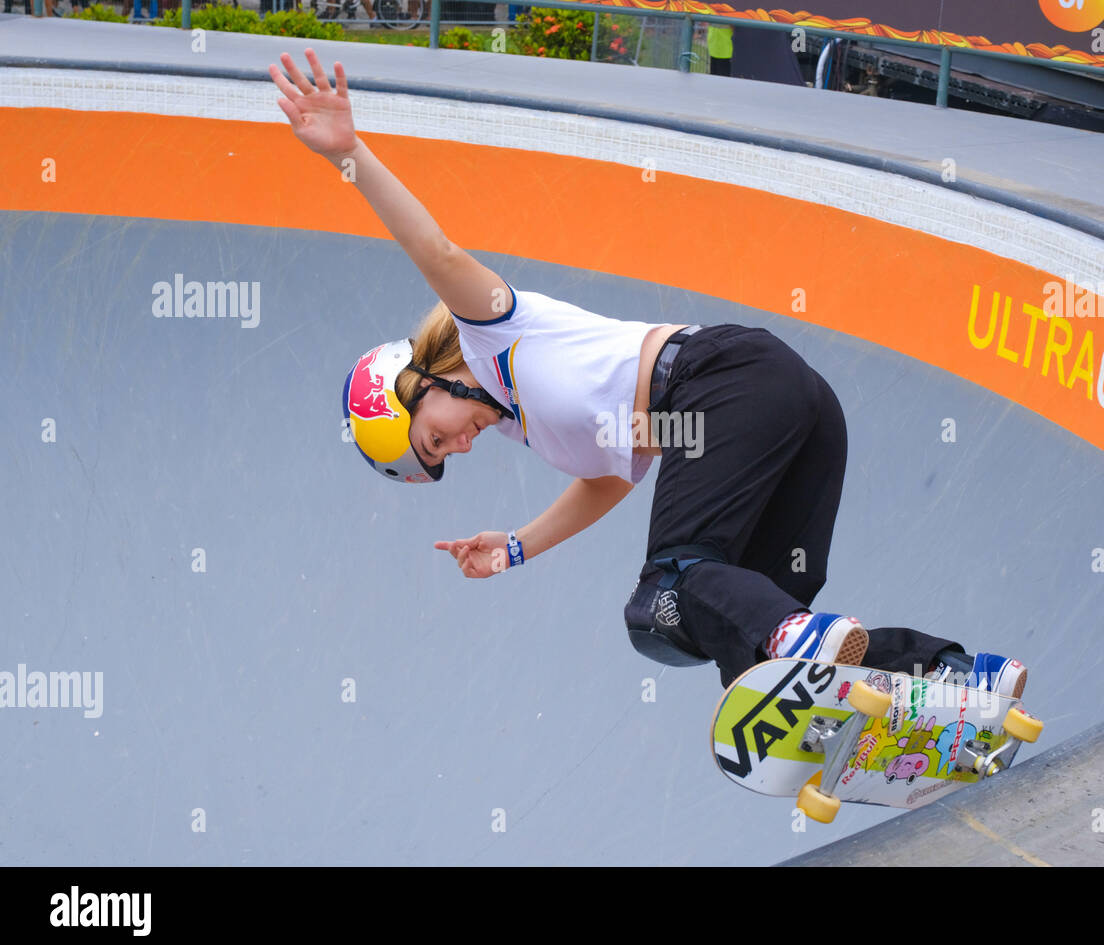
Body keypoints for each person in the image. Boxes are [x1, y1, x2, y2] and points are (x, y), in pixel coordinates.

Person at [269, 49, 1029, 697]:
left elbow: (434, 250)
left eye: (434, 439)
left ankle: (800, 637)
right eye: (446, 457)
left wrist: (348, 153)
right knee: (746, 656)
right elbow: (614, 474)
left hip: (725, 378)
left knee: (663, 597)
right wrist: (517, 547)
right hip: (776, 413)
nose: (458, 447)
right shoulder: (525, 422)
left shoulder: (489, 332)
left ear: (419, 384)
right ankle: (951, 676)